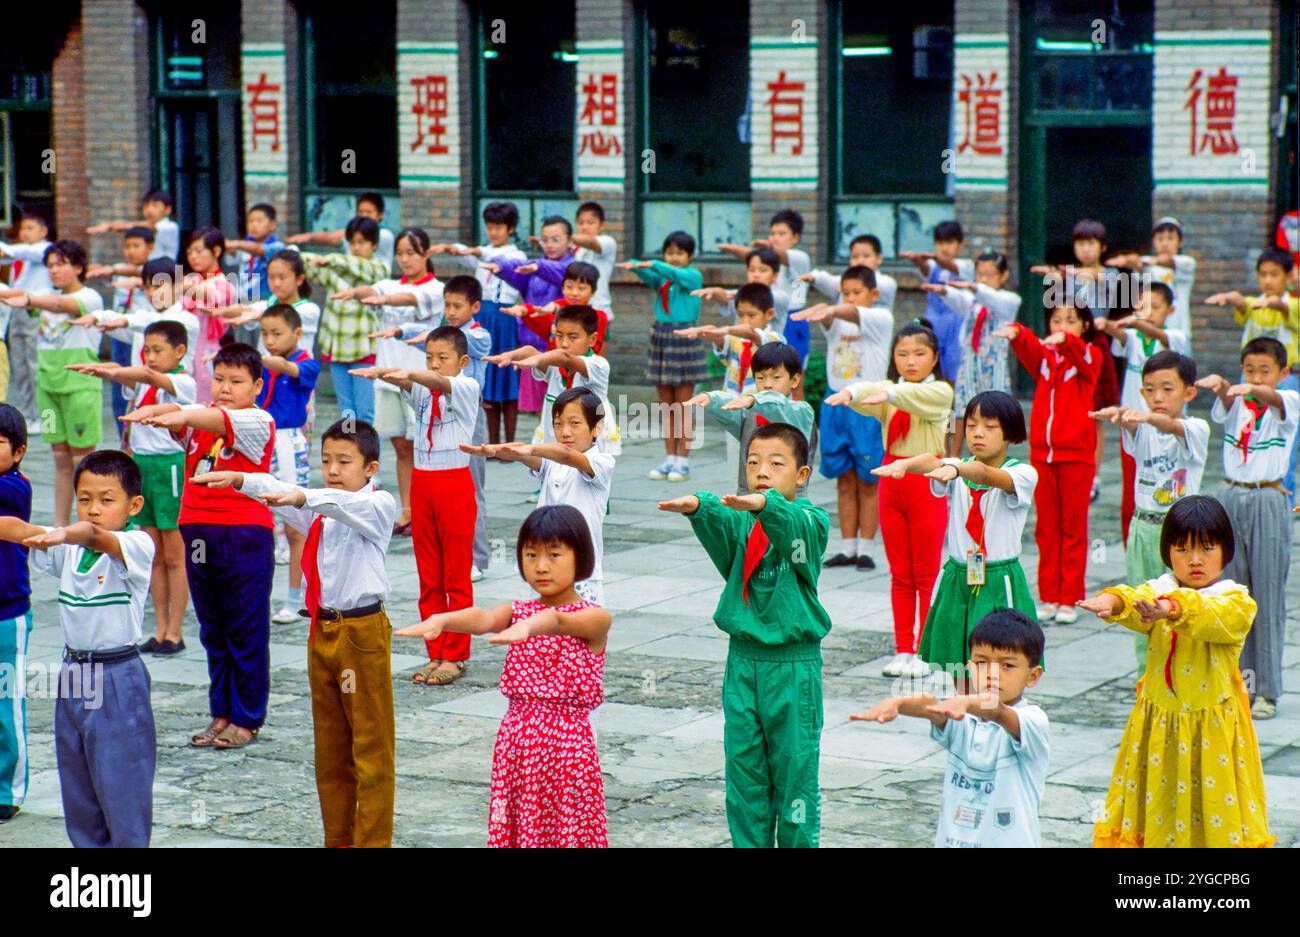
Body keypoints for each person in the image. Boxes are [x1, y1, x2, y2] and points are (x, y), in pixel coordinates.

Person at [196, 419, 398, 848]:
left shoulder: (378, 505)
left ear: (371, 468)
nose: (333, 469)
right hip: (322, 629)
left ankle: (373, 842)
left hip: (362, 633)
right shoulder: (320, 511)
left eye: (345, 461)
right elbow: (277, 491)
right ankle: (338, 839)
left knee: (371, 750)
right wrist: (239, 479)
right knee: (330, 749)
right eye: (326, 460)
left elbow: (332, 502)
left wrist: (305, 494)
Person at [397, 505, 611, 848]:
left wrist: (530, 625)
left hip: (567, 749)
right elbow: (482, 619)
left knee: (566, 829)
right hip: (517, 742)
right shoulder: (518, 611)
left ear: (580, 557)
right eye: (531, 555)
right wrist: (442, 620)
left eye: (554, 554)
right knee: (519, 828)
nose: (541, 566)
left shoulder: (594, 618)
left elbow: (558, 622)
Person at [658, 421, 830, 848]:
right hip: (743, 662)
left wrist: (764, 504)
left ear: (801, 475)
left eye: (776, 463)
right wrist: (699, 506)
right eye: (753, 463)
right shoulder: (743, 520)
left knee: (795, 775)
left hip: (792, 665)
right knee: (744, 774)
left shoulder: (810, 520)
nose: (763, 471)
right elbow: (721, 528)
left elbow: (793, 530)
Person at [1078, 496, 1274, 847]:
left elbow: (1208, 616)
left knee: (1213, 808)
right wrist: (1114, 602)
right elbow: (1138, 603)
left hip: (1212, 730)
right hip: (1159, 726)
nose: (1194, 560)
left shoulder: (1235, 600)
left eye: (1206, 548)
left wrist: (1169, 608)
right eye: (1182, 549)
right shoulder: (1159, 590)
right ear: (1167, 551)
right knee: (1160, 803)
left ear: (1225, 550)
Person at [0, 450, 157, 847]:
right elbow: (19, 529)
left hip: (118, 675)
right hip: (73, 674)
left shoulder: (135, 544)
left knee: (122, 788)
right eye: (84, 499)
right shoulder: (67, 545)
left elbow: (92, 535)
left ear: (133, 504)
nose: (93, 510)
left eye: (107, 500)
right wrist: (42, 533)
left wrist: (65, 532)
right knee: (78, 788)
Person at [123, 342, 276, 750]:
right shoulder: (200, 421)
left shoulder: (257, 420)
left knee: (245, 627)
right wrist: (157, 414)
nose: (225, 388)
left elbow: (196, 415)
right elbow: (185, 420)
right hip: (198, 532)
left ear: (257, 386)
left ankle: (247, 716)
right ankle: (221, 711)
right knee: (213, 629)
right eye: (219, 379)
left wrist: (165, 412)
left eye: (236, 381)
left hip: (243, 533)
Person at [873, 391, 1039, 685]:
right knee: (956, 662)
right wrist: (905, 465)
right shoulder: (957, 466)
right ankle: (963, 719)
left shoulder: (1022, 473)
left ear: (1011, 433)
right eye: (971, 425)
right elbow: (930, 460)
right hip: (957, 574)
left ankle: (992, 719)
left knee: (995, 661)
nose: (977, 433)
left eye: (989, 427)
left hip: (997, 579)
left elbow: (985, 473)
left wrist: (954, 468)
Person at [851, 608, 1049, 848]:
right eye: (981, 663)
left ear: (1033, 676)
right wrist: (899, 703)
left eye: (1007, 665)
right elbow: (931, 706)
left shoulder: (1032, 720)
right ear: (969, 666)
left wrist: (965, 701)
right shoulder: (963, 717)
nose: (992, 674)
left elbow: (997, 710)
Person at [350, 326, 480, 687]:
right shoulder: (422, 386)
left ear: (462, 361)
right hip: (423, 483)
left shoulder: (466, 387)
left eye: (443, 358)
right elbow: (414, 385)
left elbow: (431, 381)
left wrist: (410, 372)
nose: (435, 365)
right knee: (429, 573)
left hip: (454, 482)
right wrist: (388, 375)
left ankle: (456, 654)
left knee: (456, 573)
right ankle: (435, 649)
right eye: (429, 357)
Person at [825, 321, 954, 677]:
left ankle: (926, 650)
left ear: (934, 357)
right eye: (902, 354)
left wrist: (891, 394)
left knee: (926, 572)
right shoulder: (891, 393)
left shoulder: (939, 391)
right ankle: (902, 648)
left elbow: (914, 398)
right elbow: (874, 389)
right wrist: (852, 393)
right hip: (891, 479)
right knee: (900, 573)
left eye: (919, 354)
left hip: (925, 480)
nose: (910, 361)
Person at [66, 320, 196, 655]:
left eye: (158, 350)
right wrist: (105, 370)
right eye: (146, 350)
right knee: (148, 550)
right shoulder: (139, 383)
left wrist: (111, 372)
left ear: (179, 351)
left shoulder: (183, 381)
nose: (150, 357)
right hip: (141, 463)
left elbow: (149, 376)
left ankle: (176, 630)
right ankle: (158, 627)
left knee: (174, 554)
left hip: (170, 467)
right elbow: (137, 377)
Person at [1197, 336, 1298, 720]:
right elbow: (1224, 407)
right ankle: (1235, 680)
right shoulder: (1238, 401)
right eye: (1249, 369)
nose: (1255, 378)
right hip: (1231, 495)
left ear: (1283, 374)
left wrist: (1252, 387)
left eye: (1265, 371)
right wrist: (1224, 389)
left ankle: (1266, 690)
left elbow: (1272, 399)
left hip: (1268, 498)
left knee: (1267, 592)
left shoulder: (1288, 402)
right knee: (1230, 591)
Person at [1091, 350, 1207, 670]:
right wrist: (1124, 417)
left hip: (1178, 530)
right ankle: (1146, 675)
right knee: (1139, 603)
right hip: (1142, 526)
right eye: (1150, 389)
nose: (1157, 397)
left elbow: (1170, 427)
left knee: (1176, 603)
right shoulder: (1140, 427)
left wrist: (1143, 416)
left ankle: (1182, 672)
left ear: (1189, 392)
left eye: (1167, 389)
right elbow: (1136, 425)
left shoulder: (1196, 428)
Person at [994, 301, 1101, 625]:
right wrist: (1017, 333)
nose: (1062, 326)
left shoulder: (1088, 356)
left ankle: (1071, 597)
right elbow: (1030, 350)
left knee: (1073, 529)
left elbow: (1081, 356)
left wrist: (1067, 342)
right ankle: (1050, 596)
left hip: (1076, 455)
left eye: (1071, 320)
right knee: (1046, 529)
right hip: (1043, 454)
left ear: (1084, 325)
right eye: (1056, 320)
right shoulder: (1046, 361)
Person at [334, 227, 443, 534]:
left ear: (426, 254)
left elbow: (404, 298)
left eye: (412, 253)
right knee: (401, 447)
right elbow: (373, 290)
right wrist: (357, 293)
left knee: (425, 448)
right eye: (401, 254)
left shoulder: (435, 289)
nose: (406, 259)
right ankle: (407, 512)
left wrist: (380, 298)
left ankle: (428, 514)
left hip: (420, 380)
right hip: (387, 378)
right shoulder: (386, 283)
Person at [463, 387, 614, 605]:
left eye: (575, 423)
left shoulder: (601, 462)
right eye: (558, 423)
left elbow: (563, 454)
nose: (565, 432)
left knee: (578, 633)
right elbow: (522, 451)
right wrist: (494, 450)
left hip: (581, 570)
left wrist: (530, 449)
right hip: (544, 563)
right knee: (543, 629)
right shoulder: (550, 462)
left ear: (597, 427)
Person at [791, 265, 891, 569]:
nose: (849, 298)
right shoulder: (836, 319)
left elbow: (845, 312)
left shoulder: (880, 318)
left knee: (868, 479)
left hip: (867, 406)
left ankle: (867, 549)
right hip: (835, 404)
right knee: (844, 479)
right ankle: (847, 547)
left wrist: (830, 304)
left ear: (873, 294)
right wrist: (822, 307)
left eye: (856, 293)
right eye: (845, 293)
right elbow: (831, 317)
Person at [0, 240, 103, 525]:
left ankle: (89, 524)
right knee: (59, 458)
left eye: (62, 264)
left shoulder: (91, 298)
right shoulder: (42, 294)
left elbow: (60, 304)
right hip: (48, 388)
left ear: (78, 267)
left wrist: (30, 300)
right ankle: (60, 525)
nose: (54, 270)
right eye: (51, 265)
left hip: (80, 388)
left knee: (82, 460)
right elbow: (18, 295)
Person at [1094, 281, 1189, 543]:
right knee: (1131, 494)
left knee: (1167, 490)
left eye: (1155, 307)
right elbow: (1123, 338)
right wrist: (1111, 327)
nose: (1147, 312)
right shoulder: (1134, 338)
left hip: (1167, 429)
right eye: (1142, 307)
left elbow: (1158, 335)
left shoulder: (1176, 337)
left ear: (1170, 310)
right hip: (1134, 428)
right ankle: (1131, 545)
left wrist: (1136, 322)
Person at [1207, 247, 1300, 504]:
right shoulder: (1253, 303)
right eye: (1262, 275)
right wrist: (1232, 297)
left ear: (1289, 275)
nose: (1268, 281)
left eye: (1274, 274)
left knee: (1284, 441)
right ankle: (1245, 480)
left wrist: (1270, 302)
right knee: (1245, 432)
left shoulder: (1292, 305)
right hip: (1247, 382)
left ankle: (1283, 497)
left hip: (1285, 380)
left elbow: (1283, 307)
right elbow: (1243, 304)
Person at [618, 232, 706, 482]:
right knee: (666, 405)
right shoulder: (664, 281)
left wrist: (655, 263)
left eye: (679, 253)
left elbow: (672, 273)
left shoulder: (692, 276)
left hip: (684, 337)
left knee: (684, 405)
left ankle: (684, 460)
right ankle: (669, 458)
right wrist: (636, 266)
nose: (674, 258)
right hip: (662, 336)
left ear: (690, 256)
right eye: (669, 252)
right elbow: (650, 275)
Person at [437, 201, 526, 444]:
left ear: (510, 228)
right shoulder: (483, 251)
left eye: (499, 227)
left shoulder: (516, 255)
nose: (494, 232)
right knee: (485, 377)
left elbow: (493, 259)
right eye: (490, 227)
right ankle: (492, 442)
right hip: (483, 318)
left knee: (505, 377)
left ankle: (509, 442)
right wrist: (451, 248)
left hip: (505, 318)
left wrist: (473, 252)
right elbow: (467, 255)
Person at [256, 304, 321, 621]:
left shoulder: (306, 363)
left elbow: (287, 367)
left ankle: (297, 597)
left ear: (297, 333)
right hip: (263, 440)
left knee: (297, 526)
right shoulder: (265, 364)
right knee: (259, 519)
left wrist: (256, 360)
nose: (269, 339)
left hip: (287, 443)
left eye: (276, 333)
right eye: (264, 333)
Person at [921, 249, 1020, 456]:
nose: (983, 279)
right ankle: (953, 455)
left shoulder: (1009, 300)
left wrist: (974, 287)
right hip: (969, 362)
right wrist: (943, 291)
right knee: (959, 409)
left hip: (993, 365)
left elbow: (991, 299)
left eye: (989, 274)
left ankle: (993, 455)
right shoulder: (973, 301)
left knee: (996, 411)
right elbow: (959, 299)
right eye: (979, 274)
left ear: (1004, 276)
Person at [686, 341, 816, 496]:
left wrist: (753, 400)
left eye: (776, 377)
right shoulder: (749, 414)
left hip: (788, 503)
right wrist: (712, 399)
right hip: (749, 498)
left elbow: (776, 405)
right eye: (760, 378)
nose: (767, 384)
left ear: (794, 380)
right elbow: (729, 409)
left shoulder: (801, 412)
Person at [300, 216, 392, 424]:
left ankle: (367, 454)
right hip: (338, 350)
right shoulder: (336, 270)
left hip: (363, 349)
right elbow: (307, 266)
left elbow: (361, 267)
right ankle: (351, 448)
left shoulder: (380, 269)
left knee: (365, 411)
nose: (356, 248)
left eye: (362, 242)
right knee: (347, 410)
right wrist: (294, 255)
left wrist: (331, 259)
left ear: (375, 245)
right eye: (352, 243)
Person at [485, 214, 575, 417]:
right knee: (540, 410)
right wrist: (502, 267)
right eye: (545, 240)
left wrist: (538, 267)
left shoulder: (571, 269)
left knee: (562, 406)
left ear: (570, 241)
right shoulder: (535, 267)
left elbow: (559, 272)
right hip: (532, 345)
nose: (549, 245)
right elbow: (519, 274)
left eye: (555, 239)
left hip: (557, 346)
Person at [84, 226, 156, 433]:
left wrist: (113, 270)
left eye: (136, 246)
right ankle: (122, 432)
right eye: (127, 246)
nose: (130, 251)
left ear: (150, 247)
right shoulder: (117, 270)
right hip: (120, 339)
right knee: (118, 388)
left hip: (140, 337)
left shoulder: (156, 271)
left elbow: (139, 273)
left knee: (139, 385)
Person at [721, 209, 812, 369]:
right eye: (772, 233)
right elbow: (758, 257)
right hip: (770, 317)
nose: (775, 238)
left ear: (795, 237)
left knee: (794, 373)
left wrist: (740, 249)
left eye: (781, 233)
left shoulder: (800, 258)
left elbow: (771, 255)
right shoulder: (768, 259)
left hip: (793, 319)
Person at [0, 404, 31, 822]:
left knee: (7, 706)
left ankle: (8, 788)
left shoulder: (14, 488)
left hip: (8, 612)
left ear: (20, 452)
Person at [674, 282, 784, 399]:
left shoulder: (776, 340)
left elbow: (750, 332)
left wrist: (727, 329)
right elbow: (719, 338)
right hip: (734, 406)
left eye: (751, 315)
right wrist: (703, 332)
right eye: (740, 315)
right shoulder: (736, 341)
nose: (745, 321)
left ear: (769, 314)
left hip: (761, 408)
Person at [901, 220, 975, 390]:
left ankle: (952, 412)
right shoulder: (933, 266)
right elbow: (926, 269)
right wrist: (918, 260)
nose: (944, 248)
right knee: (932, 369)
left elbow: (948, 264)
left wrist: (932, 256)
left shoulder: (966, 265)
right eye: (940, 243)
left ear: (960, 244)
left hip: (957, 326)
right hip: (933, 324)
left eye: (949, 242)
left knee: (953, 371)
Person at [204, 248, 320, 356]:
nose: (276, 283)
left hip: (297, 373)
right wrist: (221, 311)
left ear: (299, 279)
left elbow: (283, 318)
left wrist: (258, 316)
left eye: (282, 277)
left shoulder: (309, 310)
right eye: (271, 277)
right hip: (268, 374)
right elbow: (245, 309)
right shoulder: (268, 304)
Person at [1107, 216, 1197, 342]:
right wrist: (1129, 261)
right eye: (1160, 239)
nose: (1165, 243)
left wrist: (1137, 260)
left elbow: (1163, 260)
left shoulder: (1186, 263)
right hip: (1150, 330)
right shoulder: (1147, 267)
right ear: (1153, 241)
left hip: (1178, 333)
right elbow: (1136, 267)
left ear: (1180, 242)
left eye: (1170, 238)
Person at [0, 211, 53, 425]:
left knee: (34, 364)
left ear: (43, 231)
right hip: (17, 311)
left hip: (34, 310)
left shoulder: (45, 250)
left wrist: (7, 250)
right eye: (23, 229)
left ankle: (42, 415)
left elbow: (18, 251)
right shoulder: (21, 258)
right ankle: (30, 414)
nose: (25, 233)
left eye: (31, 228)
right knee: (20, 365)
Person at [180, 226, 238, 404]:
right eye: (190, 252)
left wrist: (175, 286)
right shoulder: (191, 280)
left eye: (199, 251)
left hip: (207, 353)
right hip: (184, 352)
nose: (193, 257)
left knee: (205, 403)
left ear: (217, 251)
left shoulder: (225, 284)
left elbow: (210, 294)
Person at [287, 191, 396, 268]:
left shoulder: (385, 235)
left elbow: (336, 236)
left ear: (380, 215)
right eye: (360, 212)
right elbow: (332, 237)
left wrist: (310, 237)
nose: (363, 216)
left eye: (368, 212)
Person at [802, 233, 897, 312]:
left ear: (879, 259)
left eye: (866, 256)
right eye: (855, 257)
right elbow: (828, 280)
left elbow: (874, 284)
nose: (860, 261)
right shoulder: (842, 282)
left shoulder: (887, 283)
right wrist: (814, 277)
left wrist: (844, 284)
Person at [87, 188, 180, 262]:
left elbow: (150, 227)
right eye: (146, 206)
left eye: (155, 206)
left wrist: (111, 226)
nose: (149, 210)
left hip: (167, 272)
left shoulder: (170, 227)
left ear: (168, 209)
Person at [226, 203, 285, 307]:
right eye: (250, 221)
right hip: (244, 302)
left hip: (266, 302)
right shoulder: (244, 247)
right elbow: (232, 253)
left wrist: (234, 244)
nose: (254, 225)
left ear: (272, 225)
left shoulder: (277, 247)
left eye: (259, 221)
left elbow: (259, 250)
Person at [572, 201, 618, 318]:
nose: (585, 227)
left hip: (599, 311)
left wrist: (563, 236)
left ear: (601, 225)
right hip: (577, 310)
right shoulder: (575, 247)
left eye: (590, 223)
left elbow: (591, 242)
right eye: (580, 223)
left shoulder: (607, 241)